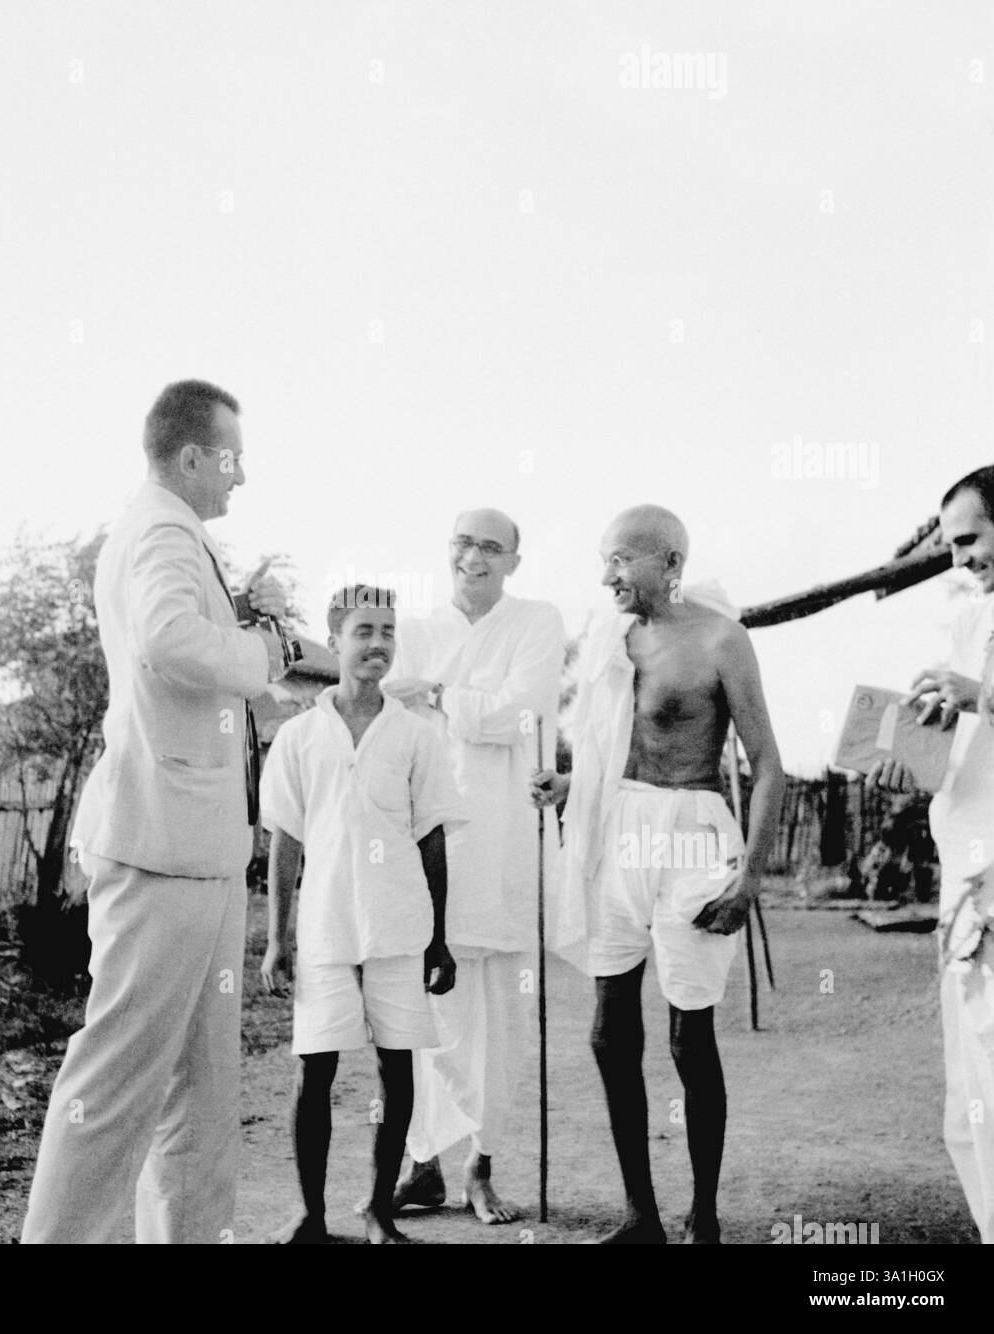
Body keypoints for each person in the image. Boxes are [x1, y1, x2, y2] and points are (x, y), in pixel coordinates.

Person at [22, 379, 290, 1244]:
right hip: (160, 845)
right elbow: (170, 640)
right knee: (118, 1078)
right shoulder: (161, 531)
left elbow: (179, 633)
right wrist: (266, 647)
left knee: (201, 1085)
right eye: (231, 458)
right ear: (188, 457)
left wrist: (241, 623)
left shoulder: (172, 536)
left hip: (197, 847)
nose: (239, 477)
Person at [532, 504, 783, 1244]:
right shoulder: (613, 642)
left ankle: (701, 1215)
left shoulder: (718, 639)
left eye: (619, 559)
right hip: (620, 827)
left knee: (687, 1036)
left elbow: (768, 764)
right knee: (609, 1033)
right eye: (603, 560)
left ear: (667, 564)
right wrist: (568, 786)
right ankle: (640, 1215)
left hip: (694, 835)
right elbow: (615, 753)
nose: (606, 575)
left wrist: (750, 880)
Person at [259, 585, 465, 1244]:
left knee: (396, 1067)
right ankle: (311, 1216)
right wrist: (276, 939)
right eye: (363, 631)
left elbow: (431, 836)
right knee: (314, 1066)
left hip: (398, 922)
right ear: (336, 636)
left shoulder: (414, 735)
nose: (377, 644)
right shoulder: (297, 737)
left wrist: (438, 938)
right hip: (324, 924)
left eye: (387, 632)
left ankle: (378, 1209)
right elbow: (284, 842)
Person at [383, 509, 566, 1224]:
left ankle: (479, 1167)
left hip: (503, 843)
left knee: (499, 1016)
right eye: (464, 542)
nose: (474, 557)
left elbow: (519, 715)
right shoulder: (416, 629)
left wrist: (434, 695)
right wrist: (449, 702)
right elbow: (389, 714)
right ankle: (421, 1164)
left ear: (513, 561)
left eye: (492, 547)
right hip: (425, 840)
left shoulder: (536, 620)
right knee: (425, 1004)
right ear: (447, 549)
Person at [867, 464, 994, 1244]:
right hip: (966, 857)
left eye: (971, 540)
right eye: (951, 547)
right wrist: (899, 756)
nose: (962, 560)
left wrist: (979, 691)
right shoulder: (967, 617)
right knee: (969, 1078)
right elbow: (950, 746)